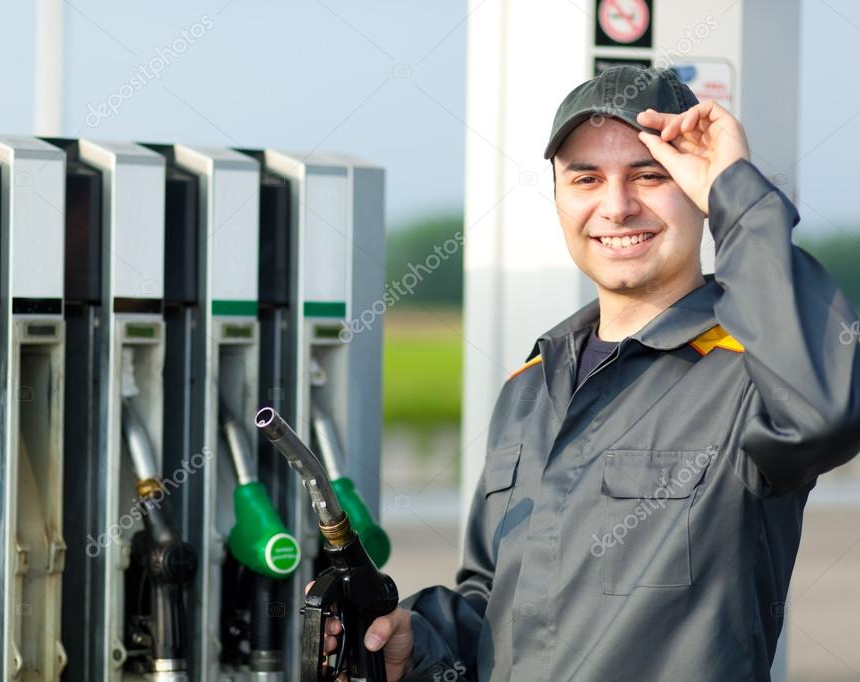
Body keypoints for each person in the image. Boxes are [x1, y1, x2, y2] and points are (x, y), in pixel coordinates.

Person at [320, 66, 860, 680]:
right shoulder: (528, 387)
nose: (617, 206)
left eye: (649, 175)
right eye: (586, 179)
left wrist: (736, 193)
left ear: (696, 190)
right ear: (558, 198)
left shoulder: (750, 375)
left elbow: (828, 412)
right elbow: (495, 603)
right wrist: (419, 640)